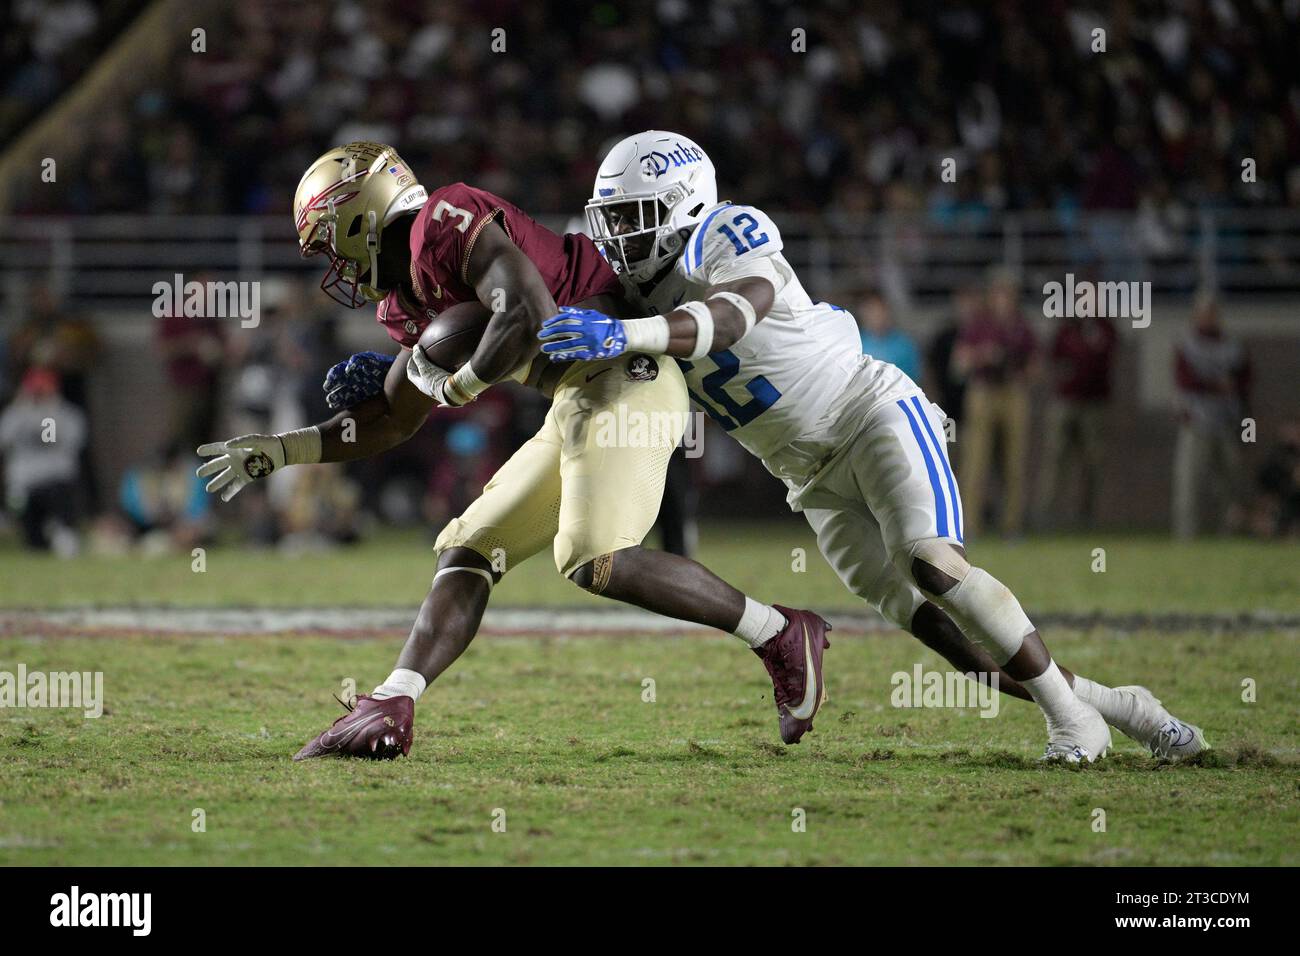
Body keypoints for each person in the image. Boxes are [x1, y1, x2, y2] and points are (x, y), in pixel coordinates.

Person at [538, 130, 1206, 761]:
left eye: (638, 215)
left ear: (685, 203)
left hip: (867, 411)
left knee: (933, 565)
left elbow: (733, 313)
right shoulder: (621, 294)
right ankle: (1117, 707)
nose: (622, 235)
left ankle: (1073, 725)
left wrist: (633, 335)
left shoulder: (726, 231)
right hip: (808, 479)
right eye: (614, 218)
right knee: (950, 642)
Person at [195, 142, 830, 759]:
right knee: (468, 548)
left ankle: (778, 631)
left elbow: (527, 308)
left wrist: (462, 382)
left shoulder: (444, 221)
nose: (334, 263)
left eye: (331, 242)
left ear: (362, 217)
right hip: (578, 398)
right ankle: (391, 704)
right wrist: (281, 450)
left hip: (626, 370)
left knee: (593, 558)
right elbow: (391, 420)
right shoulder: (402, 304)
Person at [953, 270, 1038, 537]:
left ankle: (1012, 527)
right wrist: (983, 355)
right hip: (983, 391)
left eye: (1008, 293)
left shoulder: (1022, 326)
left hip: (1013, 391)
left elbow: (1037, 365)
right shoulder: (979, 325)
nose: (1003, 299)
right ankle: (969, 527)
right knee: (975, 461)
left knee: (1015, 463)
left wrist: (1021, 372)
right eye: (999, 293)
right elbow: (959, 363)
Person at [1172, 292, 1251, 538]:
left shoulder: (1232, 345)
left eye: (1212, 314)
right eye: (1203, 314)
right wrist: (1217, 386)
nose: (1208, 318)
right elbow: (1186, 381)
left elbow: (1245, 380)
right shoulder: (1187, 344)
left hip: (1226, 420)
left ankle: (1230, 532)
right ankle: (1186, 535)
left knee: (1231, 481)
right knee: (1190, 482)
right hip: (1196, 422)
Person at [1035, 312, 1117, 529]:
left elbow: (1105, 357)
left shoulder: (1105, 327)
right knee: (1055, 458)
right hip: (1064, 401)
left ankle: (1086, 516)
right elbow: (1053, 357)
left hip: (1094, 403)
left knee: (1093, 460)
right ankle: (1047, 515)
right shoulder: (1066, 328)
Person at [0, 367, 86, 555]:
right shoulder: (16, 413)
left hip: (55, 479)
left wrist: (48, 414)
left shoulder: (67, 414)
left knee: (59, 498)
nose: (38, 395)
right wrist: (22, 409)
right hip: (24, 482)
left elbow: (51, 439)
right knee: (23, 515)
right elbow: (5, 439)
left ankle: (64, 534)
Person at [856, 290, 920, 383]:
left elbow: (915, 376)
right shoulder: (856, 343)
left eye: (879, 311)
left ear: (887, 311)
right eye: (870, 311)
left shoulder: (904, 343)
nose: (875, 316)